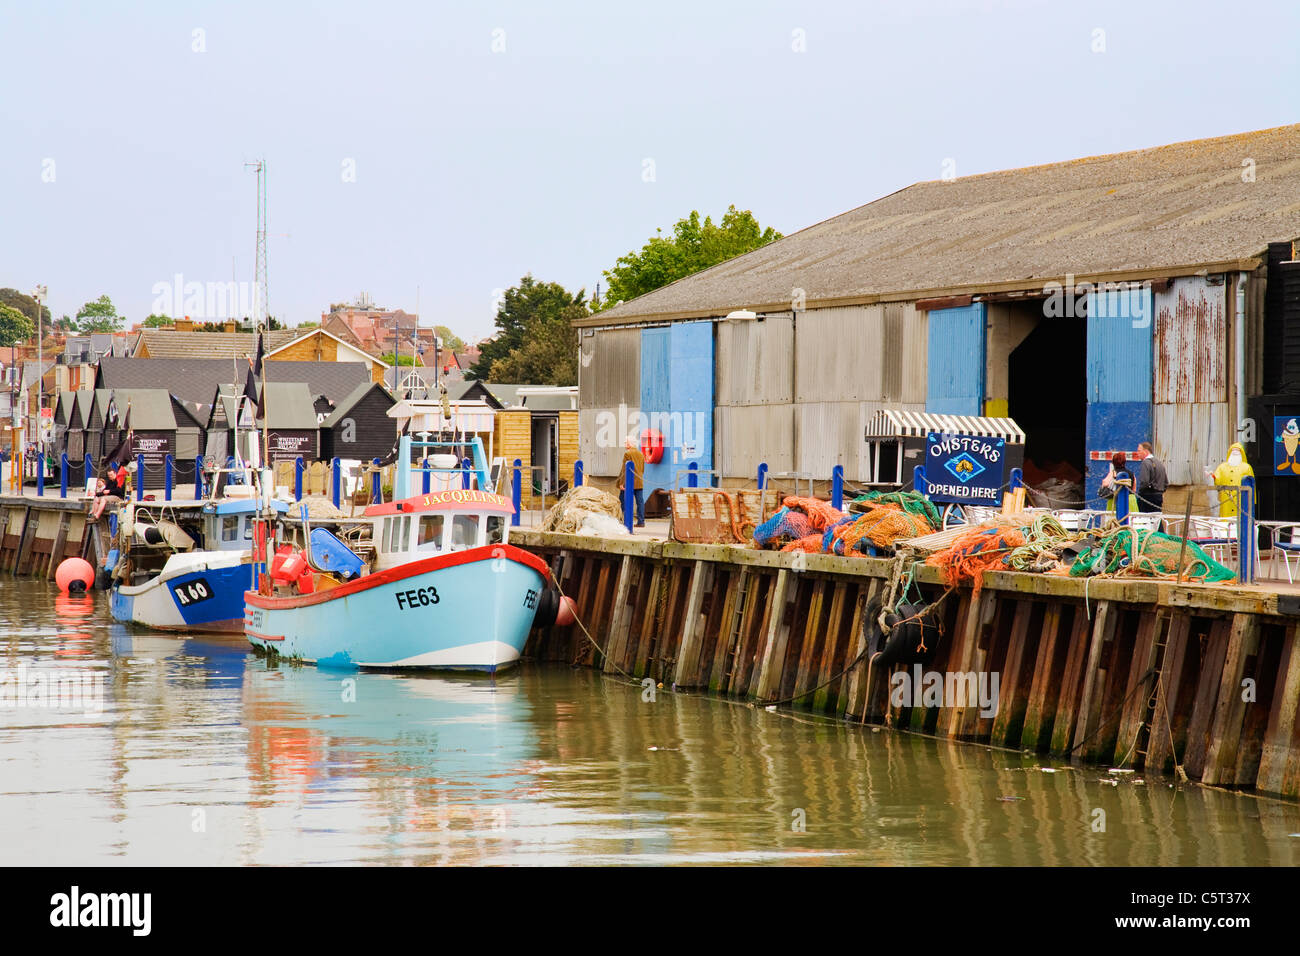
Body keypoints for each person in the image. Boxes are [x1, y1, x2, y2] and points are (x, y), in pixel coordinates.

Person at [1206, 442, 1253, 517]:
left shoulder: (1247, 467)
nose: (1235, 452)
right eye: (1233, 450)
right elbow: (1217, 480)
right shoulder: (1222, 467)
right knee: (1225, 516)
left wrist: (1252, 499)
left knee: (1241, 516)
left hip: (1241, 497)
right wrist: (1211, 476)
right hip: (1226, 497)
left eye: (1238, 450)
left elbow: (1251, 483)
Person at [617, 433, 646, 527]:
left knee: (622, 500)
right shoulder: (641, 454)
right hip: (639, 481)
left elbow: (624, 469)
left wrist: (621, 483)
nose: (625, 444)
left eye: (626, 443)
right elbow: (642, 469)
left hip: (628, 482)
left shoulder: (627, 454)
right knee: (640, 502)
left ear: (629, 444)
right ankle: (641, 521)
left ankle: (625, 520)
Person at [1134, 441, 1167, 512]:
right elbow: (1166, 483)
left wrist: (1140, 493)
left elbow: (1144, 482)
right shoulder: (1160, 463)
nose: (1137, 453)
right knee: (1156, 519)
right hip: (1159, 497)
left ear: (1145, 451)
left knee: (1146, 520)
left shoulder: (1145, 463)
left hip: (1147, 497)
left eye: (1139, 451)